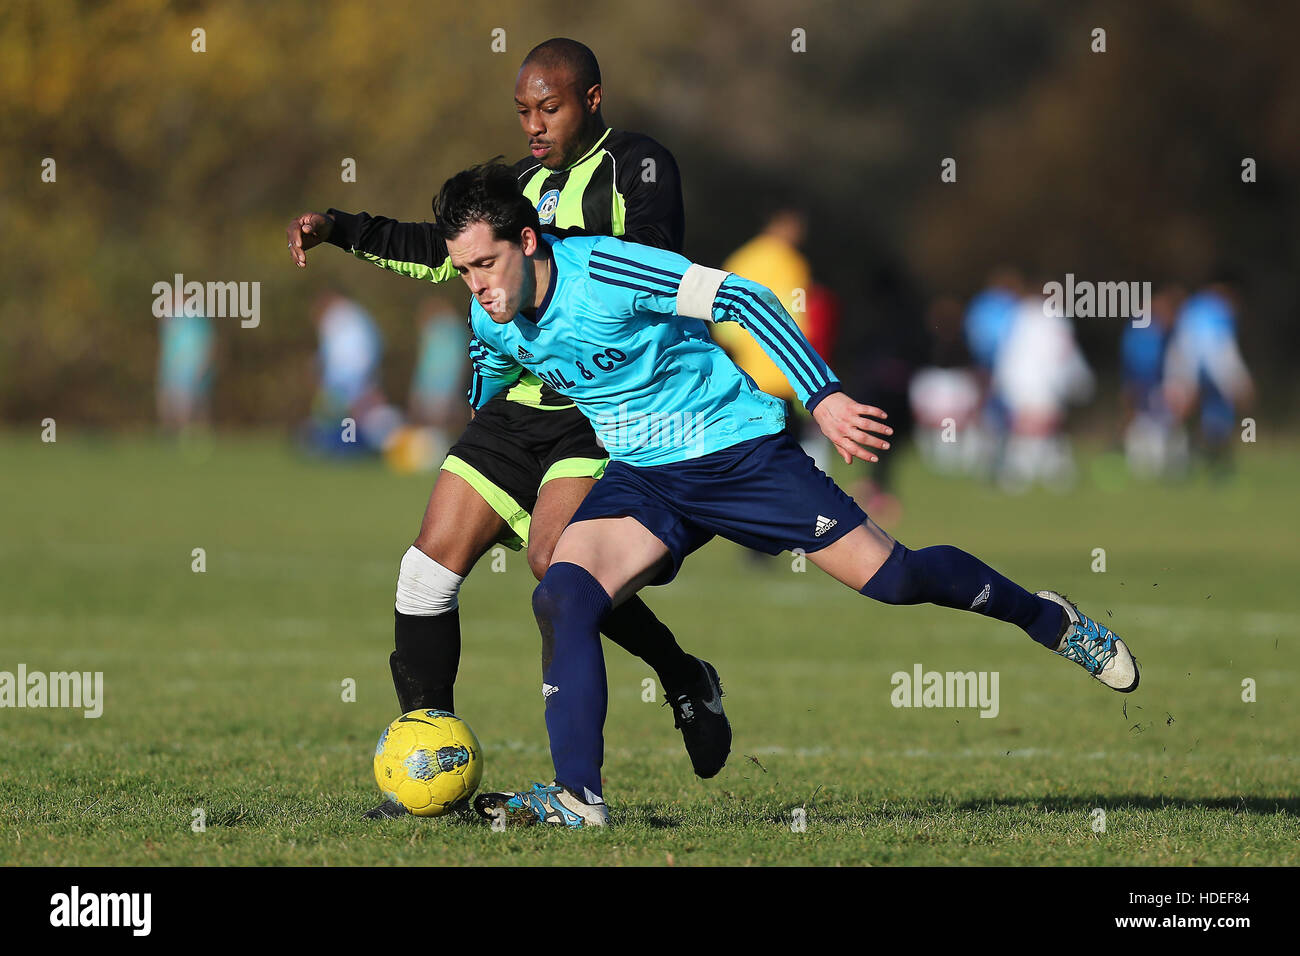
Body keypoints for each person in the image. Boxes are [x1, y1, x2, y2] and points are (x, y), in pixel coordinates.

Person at [423, 162, 1141, 828]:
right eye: (463, 271)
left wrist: (822, 395)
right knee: (562, 593)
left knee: (897, 579)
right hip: (646, 477)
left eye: (486, 263)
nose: (479, 285)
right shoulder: (490, 313)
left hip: (738, 454)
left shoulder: (605, 268)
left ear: (526, 239)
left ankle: (1048, 619)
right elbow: (492, 369)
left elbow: (742, 296)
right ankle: (579, 796)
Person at [285, 38, 728, 817]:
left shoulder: (639, 167)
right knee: (425, 573)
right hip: (518, 405)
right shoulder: (519, 185)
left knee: (558, 569)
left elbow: (657, 267)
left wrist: (549, 261)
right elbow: (445, 249)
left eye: (547, 108)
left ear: (591, 100)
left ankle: (679, 677)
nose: (532, 124)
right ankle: (429, 762)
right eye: (522, 110)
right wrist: (339, 227)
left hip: (597, 408)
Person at [1163, 278, 1254, 478]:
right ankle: (1213, 463)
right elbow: (1219, 348)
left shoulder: (1192, 306)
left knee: (1185, 416)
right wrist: (1239, 378)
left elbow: (1181, 342)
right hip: (1207, 363)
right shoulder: (1220, 310)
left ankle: (1182, 462)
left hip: (1185, 362)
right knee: (1217, 415)